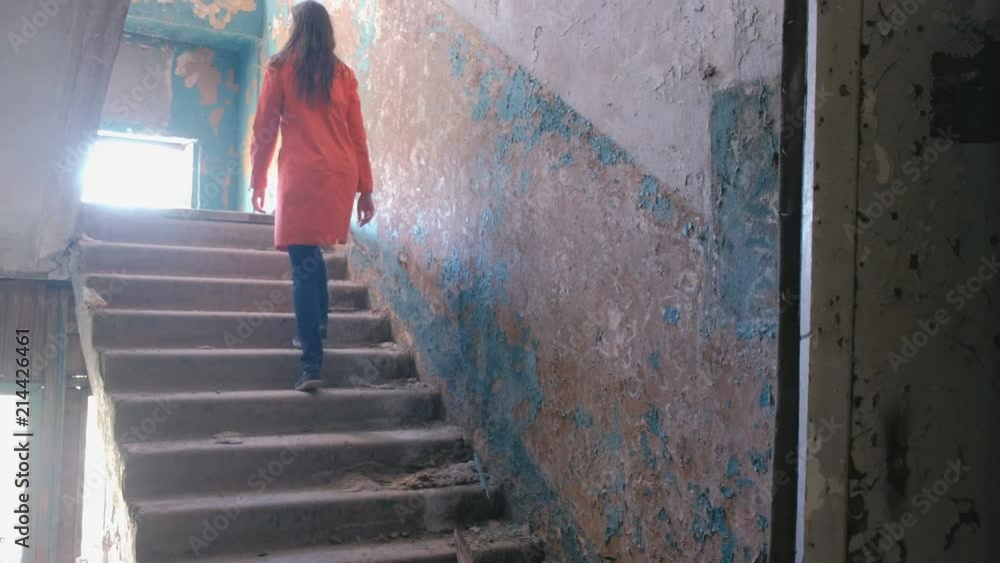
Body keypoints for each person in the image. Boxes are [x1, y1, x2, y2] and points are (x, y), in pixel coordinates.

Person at [249, 0, 375, 392]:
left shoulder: (279, 68)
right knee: (312, 254)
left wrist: (258, 179)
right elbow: (357, 137)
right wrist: (365, 189)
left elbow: (265, 129)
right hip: (339, 174)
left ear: (297, 27)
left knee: (303, 257)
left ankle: (311, 364)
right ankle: (316, 327)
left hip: (302, 176)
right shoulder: (344, 75)